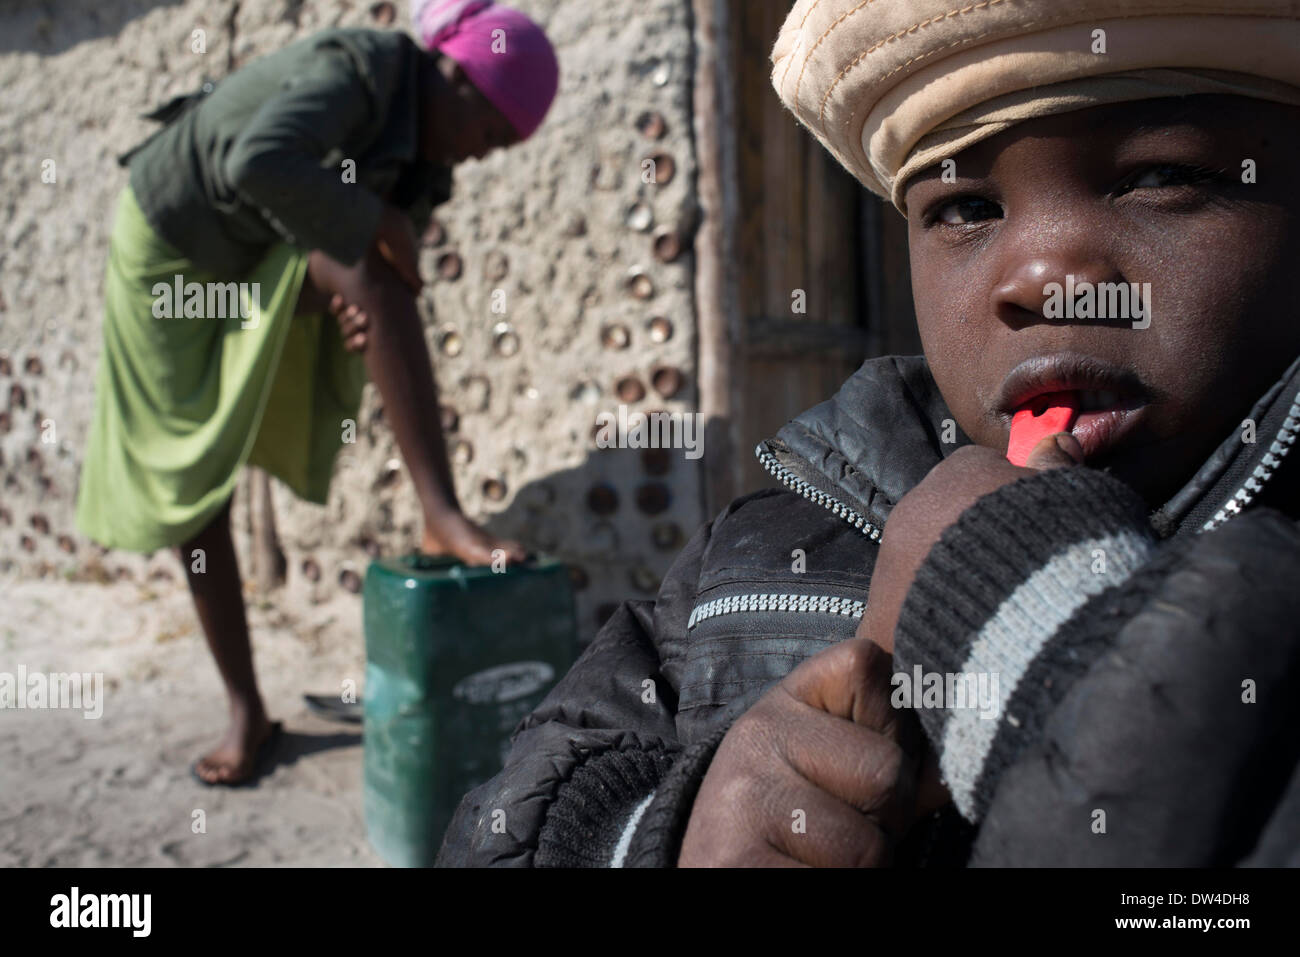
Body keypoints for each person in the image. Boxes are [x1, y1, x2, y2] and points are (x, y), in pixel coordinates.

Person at [435, 0, 1300, 866]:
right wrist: (674, 829)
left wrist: (1029, 611)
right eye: (965, 208)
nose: (1043, 278)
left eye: (1158, 178)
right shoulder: (744, 567)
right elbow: (503, 822)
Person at [73, 0, 559, 786]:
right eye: (491, 132)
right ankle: (245, 711)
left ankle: (442, 516)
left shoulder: (425, 164)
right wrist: (376, 221)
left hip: (254, 247)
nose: (483, 156)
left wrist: (360, 290)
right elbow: (255, 162)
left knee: (378, 276)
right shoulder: (358, 70)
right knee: (194, 489)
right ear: (458, 77)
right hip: (171, 249)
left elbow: (368, 255)